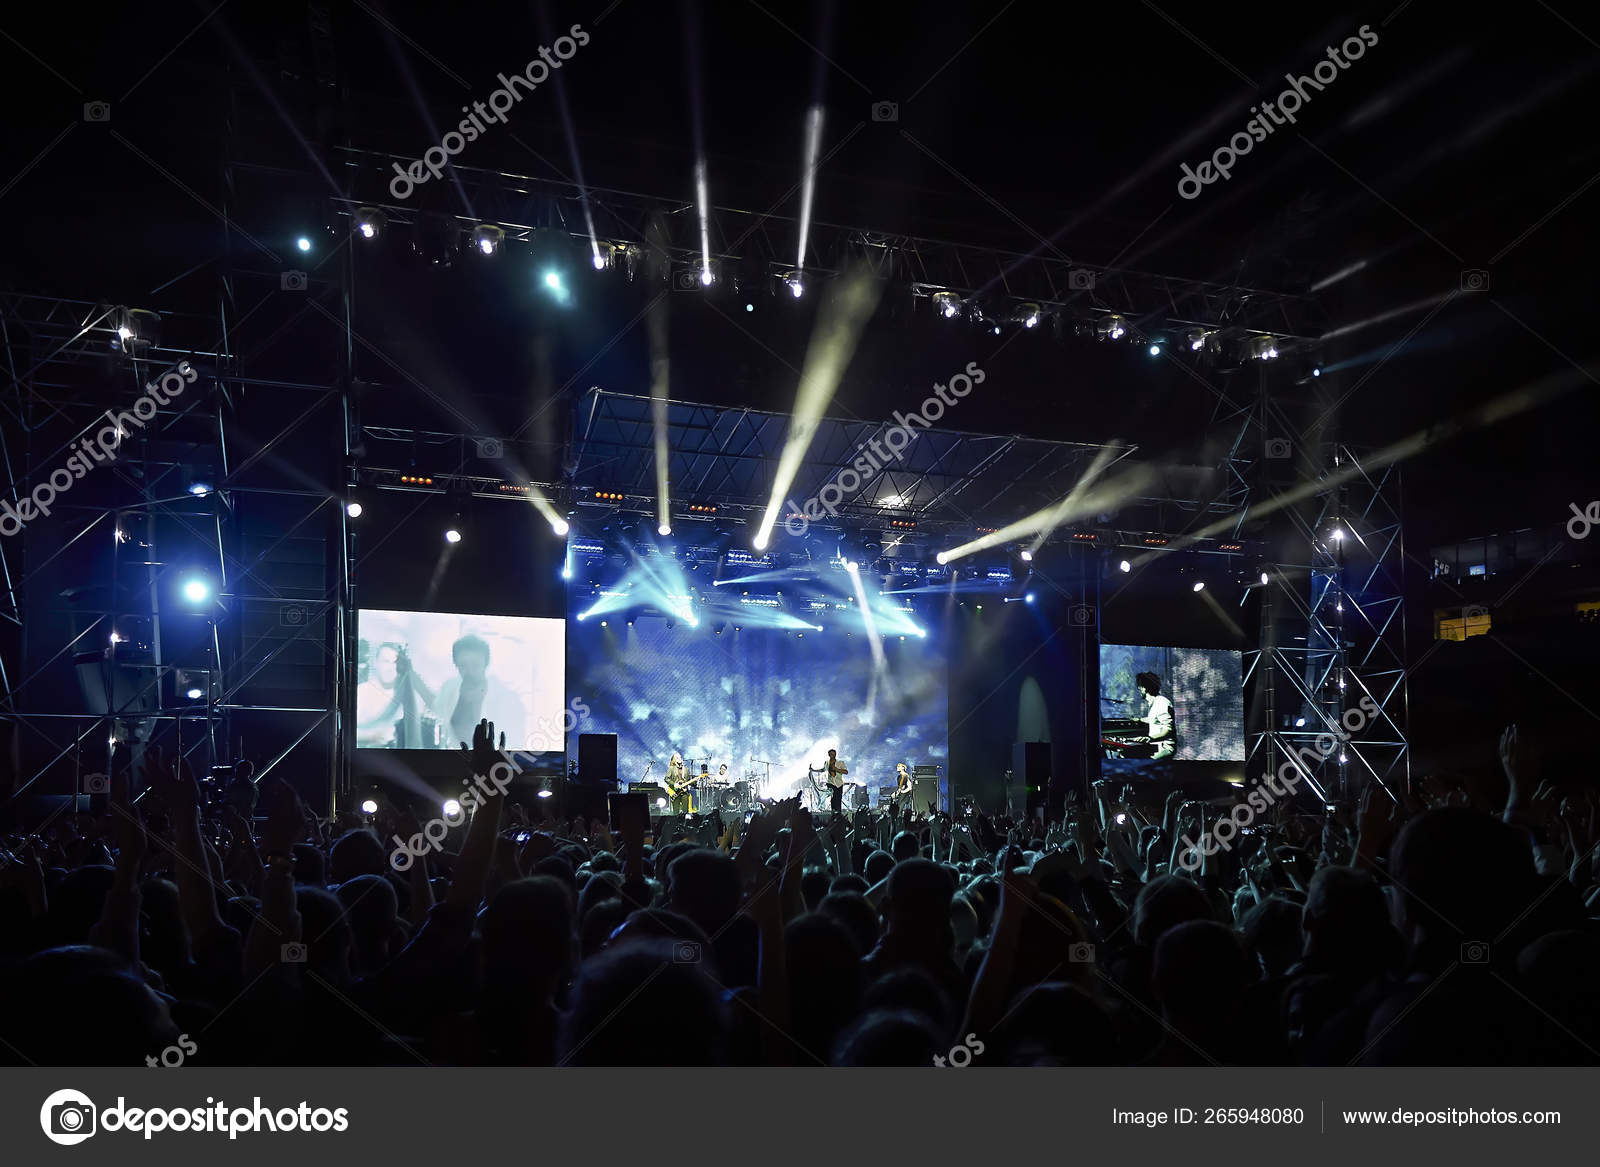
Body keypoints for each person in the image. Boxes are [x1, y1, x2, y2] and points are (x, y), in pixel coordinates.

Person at [406, 634, 527, 750]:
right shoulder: (450, 687)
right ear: (456, 665)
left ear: (486, 663)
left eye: (475, 665)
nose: (469, 671)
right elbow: (435, 705)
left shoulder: (507, 699)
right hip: (452, 761)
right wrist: (410, 673)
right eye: (463, 666)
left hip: (490, 765)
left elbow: (515, 742)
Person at [825, 749, 848, 819]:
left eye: (834, 754)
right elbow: (823, 769)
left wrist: (836, 769)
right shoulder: (826, 762)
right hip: (830, 783)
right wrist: (813, 770)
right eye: (831, 754)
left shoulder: (840, 763)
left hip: (838, 784)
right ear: (829, 755)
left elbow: (846, 772)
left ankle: (838, 816)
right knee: (833, 799)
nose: (833, 755)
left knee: (838, 799)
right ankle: (833, 816)